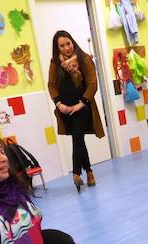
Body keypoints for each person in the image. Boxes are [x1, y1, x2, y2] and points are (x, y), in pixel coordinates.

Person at [47, 30, 105, 192]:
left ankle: (76, 174)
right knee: (78, 139)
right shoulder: (55, 63)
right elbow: (51, 85)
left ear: (73, 42)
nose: (66, 48)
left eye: (68, 43)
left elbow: (92, 84)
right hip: (65, 109)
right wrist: (59, 104)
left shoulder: (84, 59)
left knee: (77, 137)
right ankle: (90, 172)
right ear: (57, 48)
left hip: (83, 106)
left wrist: (81, 104)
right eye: (62, 46)